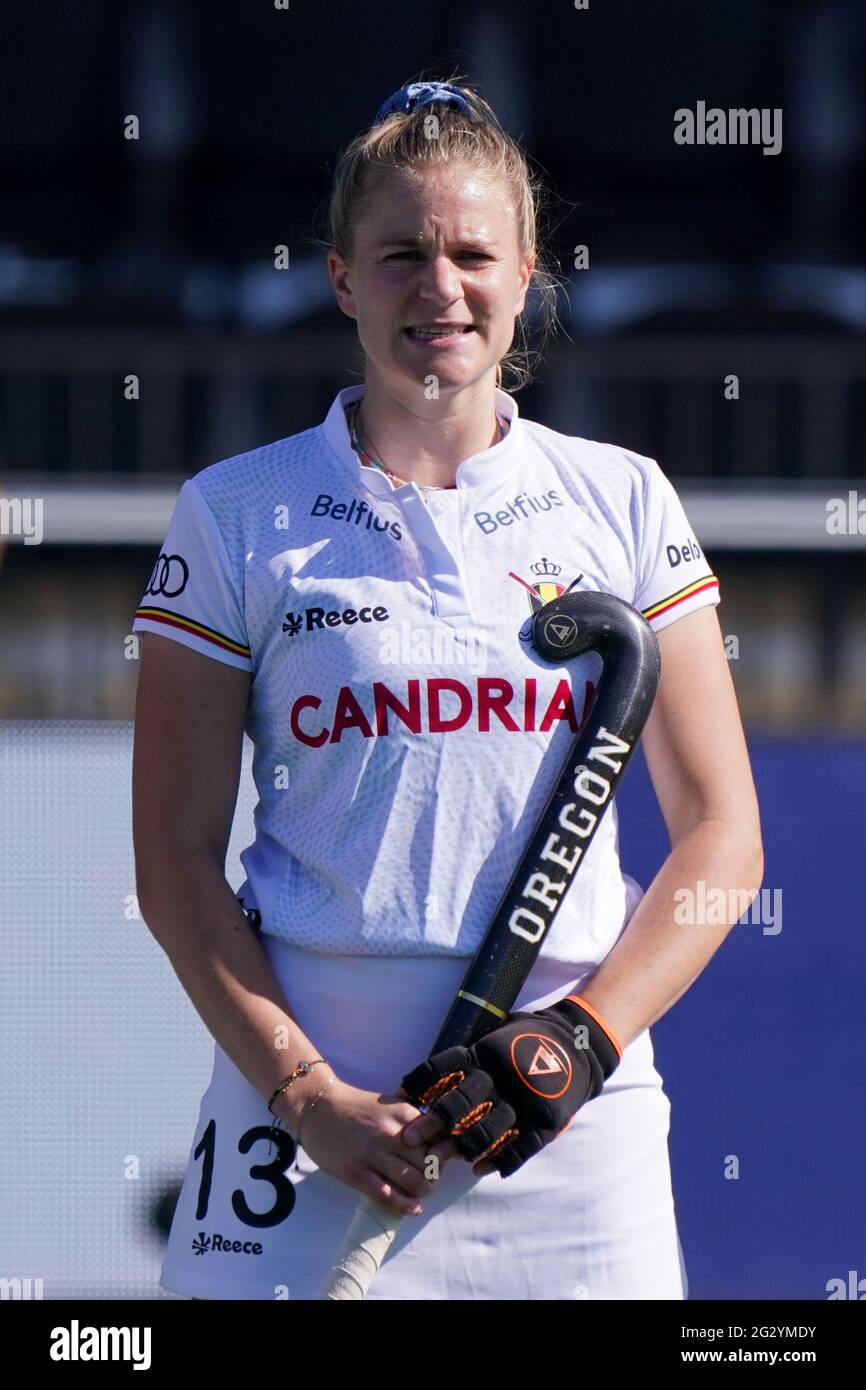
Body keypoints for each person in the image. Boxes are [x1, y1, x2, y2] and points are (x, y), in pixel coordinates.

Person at [132, 78, 763, 1301]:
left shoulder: (623, 499)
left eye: (472, 252)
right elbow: (170, 861)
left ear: (525, 275)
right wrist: (304, 1092)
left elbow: (722, 838)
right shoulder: (235, 513)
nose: (439, 287)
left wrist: (583, 1039)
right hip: (308, 1126)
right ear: (339, 278)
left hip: (566, 1129)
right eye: (400, 253)